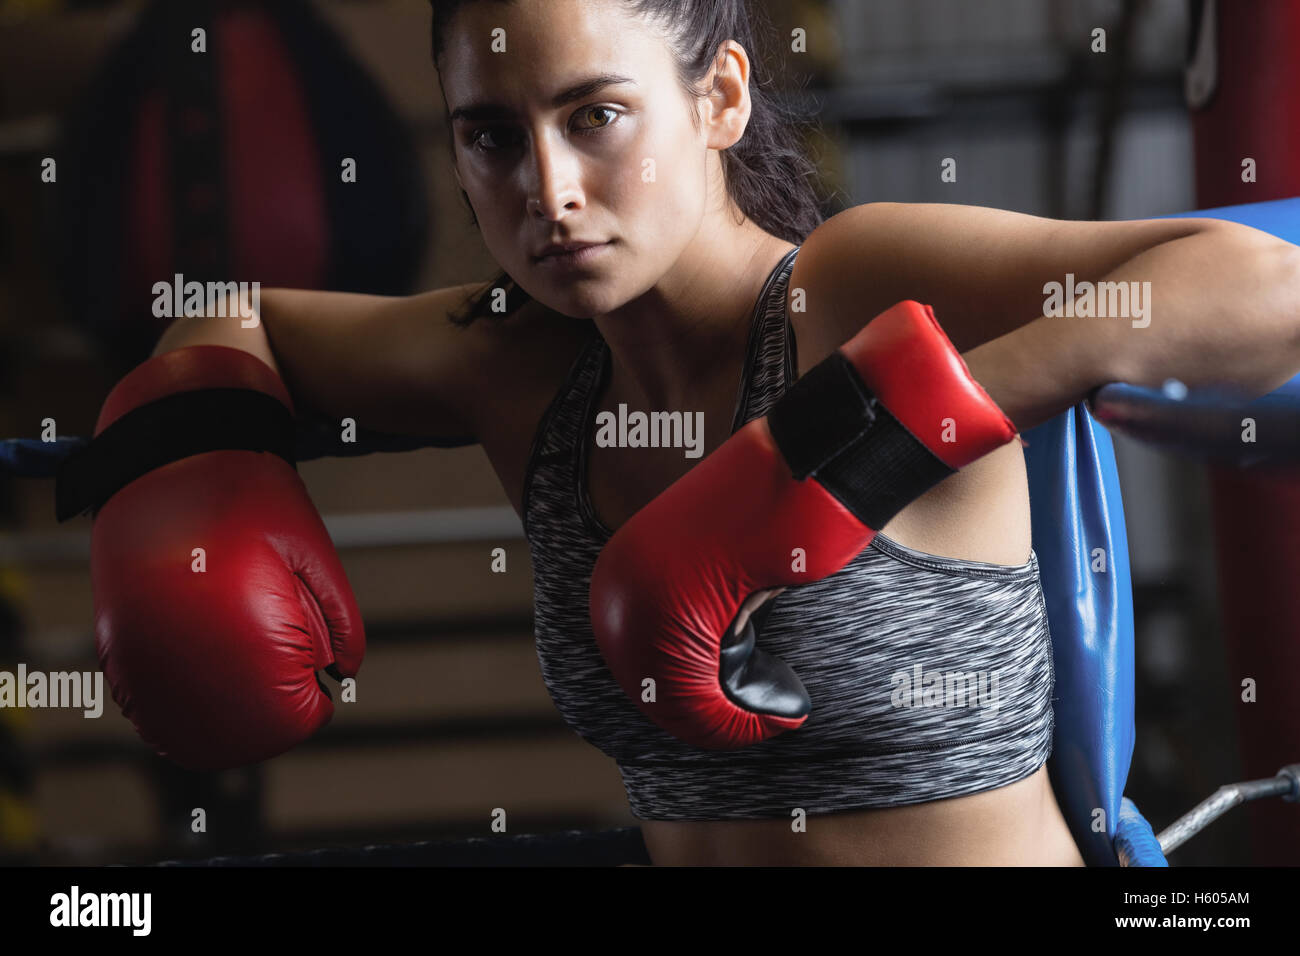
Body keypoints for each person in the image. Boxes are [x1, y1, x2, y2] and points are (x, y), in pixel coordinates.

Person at [101, 0, 1300, 865]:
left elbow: (1269, 291)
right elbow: (226, 319)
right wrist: (186, 476)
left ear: (718, 99)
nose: (550, 190)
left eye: (596, 116)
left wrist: (874, 439)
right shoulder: (511, 364)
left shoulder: (849, 288)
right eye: (492, 136)